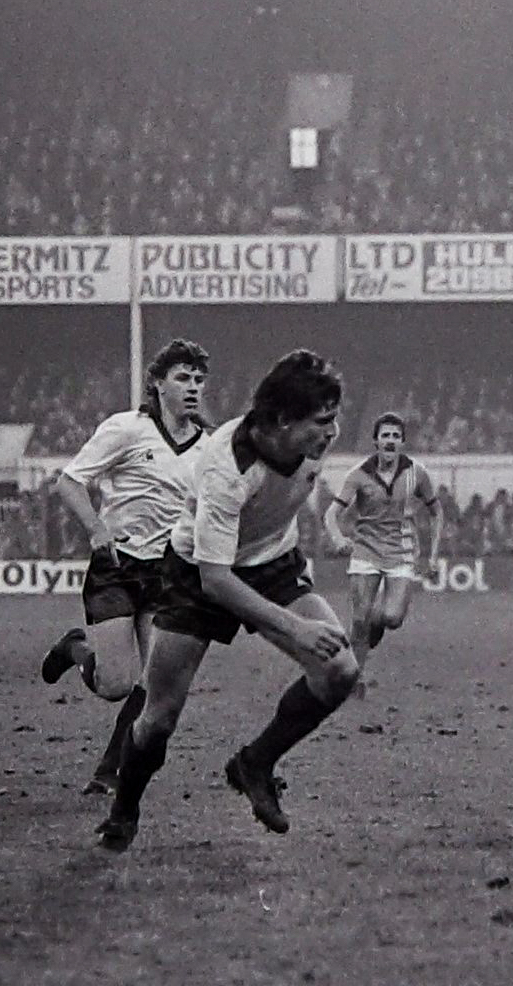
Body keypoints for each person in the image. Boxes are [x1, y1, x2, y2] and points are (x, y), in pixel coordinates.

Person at [96, 349, 359, 852]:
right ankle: (124, 808)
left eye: (334, 419)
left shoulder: (312, 439)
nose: (332, 432)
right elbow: (217, 580)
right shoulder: (226, 471)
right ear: (282, 421)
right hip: (197, 575)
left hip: (274, 564)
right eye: (321, 421)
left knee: (340, 671)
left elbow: (286, 494)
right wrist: (295, 627)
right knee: (159, 719)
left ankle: (255, 763)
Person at [39, 338, 210, 795]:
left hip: (169, 577)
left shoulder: (209, 449)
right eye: (182, 378)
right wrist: (97, 529)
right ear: (158, 383)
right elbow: (70, 482)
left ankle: (110, 768)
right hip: (117, 567)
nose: (193, 387)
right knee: (114, 684)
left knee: (156, 684)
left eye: (198, 379)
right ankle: (78, 648)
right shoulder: (127, 429)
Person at [321, 410, 441, 699]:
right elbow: (331, 513)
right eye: (385, 435)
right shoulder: (358, 474)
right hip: (365, 550)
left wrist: (433, 555)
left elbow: (437, 512)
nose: (390, 441)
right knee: (359, 620)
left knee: (392, 618)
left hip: (401, 552)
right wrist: (338, 538)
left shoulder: (417, 473)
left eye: (395, 436)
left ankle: (367, 627)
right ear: (375, 441)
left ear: (402, 442)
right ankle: (353, 681)